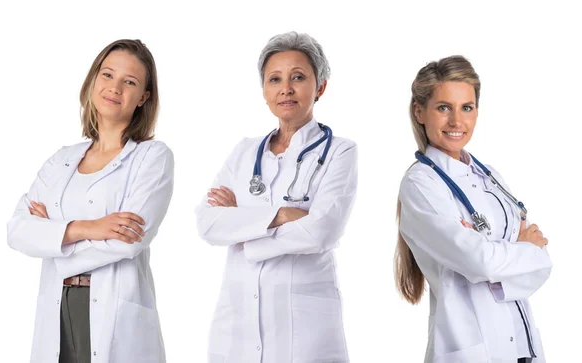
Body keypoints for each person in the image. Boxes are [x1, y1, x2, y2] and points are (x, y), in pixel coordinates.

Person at [7, 39, 173, 363]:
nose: (115, 88)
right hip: (58, 307)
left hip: (114, 310)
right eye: (108, 75)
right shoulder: (61, 161)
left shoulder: (152, 158)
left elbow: (128, 242)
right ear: (93, 79)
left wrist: (53, 237)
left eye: (130, 82)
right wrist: (89, 227)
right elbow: (16, 230)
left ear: (144, 97)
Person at [195, 31, 357, 363]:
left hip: (305, 331)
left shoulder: (340, 151)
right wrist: (283, 214)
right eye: (275, 79)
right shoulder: (244, 151)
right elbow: (208, 224)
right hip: (236, 326)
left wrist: (243, 225)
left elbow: (321, 231)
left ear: (320, 87)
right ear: (265, 91)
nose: (285, 88)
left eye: (298, 77)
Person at [394, 55, 552, 363]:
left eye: (467, 107)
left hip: (524, 347)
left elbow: (542, 263)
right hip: (473, 349)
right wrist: (516, 253)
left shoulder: (489, 175)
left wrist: (500, 260)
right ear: (420, 112)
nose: (457, 121)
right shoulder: (421, 185)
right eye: (444, 108)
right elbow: (479, 262)